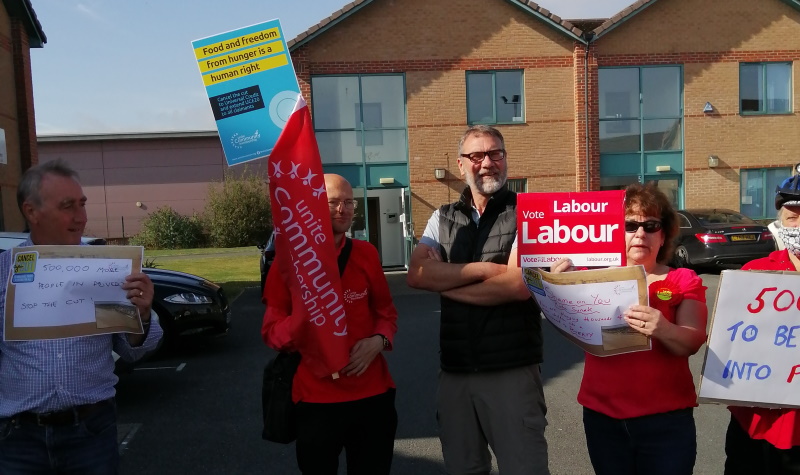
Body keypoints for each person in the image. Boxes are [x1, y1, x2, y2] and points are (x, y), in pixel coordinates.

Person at [0, 159, 163, 474]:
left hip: (90, 433)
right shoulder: (4, 273)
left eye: (82, 204)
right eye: (67, 206)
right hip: (19, 437)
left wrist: (141, 315)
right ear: (31, 212)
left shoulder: (104, 270)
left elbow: (132, 350)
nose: (81, 217)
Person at [407, 125, 548, 474]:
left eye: (495, 153)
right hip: (455, 371)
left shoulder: (530, 213)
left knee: (524, 469)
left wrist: (445, 282)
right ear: (461, 164)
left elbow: (517, 286)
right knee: (463, 468)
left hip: (511, 370)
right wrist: (486, 270)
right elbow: (417, 274)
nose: (487, 163)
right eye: (476, 155)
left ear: (505, 158)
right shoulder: (442, 217)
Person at [550, 183, 707, 475]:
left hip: (666, 419)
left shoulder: (683, 280)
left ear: (664, 234)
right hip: (603, 416)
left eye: (651, 225)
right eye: (630, 225)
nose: (640, 234)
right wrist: (562, 286)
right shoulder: (590, 277)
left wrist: (664, 328)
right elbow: (566, 323)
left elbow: (693, 340)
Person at [262, 174, 398, 475]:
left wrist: (379, 340)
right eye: (333, 202)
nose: (343, 209)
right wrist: (304, 320)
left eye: (349, 202)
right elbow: (271, 332)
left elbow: (386, 313)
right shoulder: (289, 261)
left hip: (372, 395)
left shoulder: (366, 254)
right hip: (316, 399)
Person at [724, 178, 800, 474]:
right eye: (792, 217)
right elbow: (729, 342)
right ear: (780, 223)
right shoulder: (754, 274)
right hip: (755, 424)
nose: (799, 225)